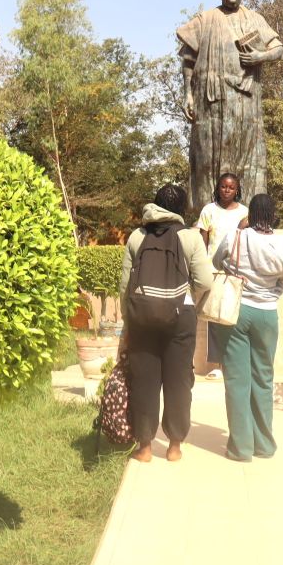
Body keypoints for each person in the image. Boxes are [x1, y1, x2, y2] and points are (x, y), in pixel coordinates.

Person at [177, 0, 283, 210]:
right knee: (207, 159)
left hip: (246, 104)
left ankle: (250, 213)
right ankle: (207, 212)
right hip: (211, 103)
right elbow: (188, 60)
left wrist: (260, 56)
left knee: (249, 159)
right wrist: (188, 94)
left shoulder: (255, 19)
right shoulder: (205, 20)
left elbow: (278, 48)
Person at [120, 184, 214, 463]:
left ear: (155, 204)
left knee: (144, 380)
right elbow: (205, 281)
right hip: (180, 316)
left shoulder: (137, 236)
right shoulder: (190, 237)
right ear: (181, 208)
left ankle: (145, 447)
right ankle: (174, 446)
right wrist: (187, 295)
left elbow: (125, 286)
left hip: (142, 319)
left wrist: (128, 321)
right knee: (179, 381)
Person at [212, 194, 283, 462]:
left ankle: (241, 448)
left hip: (236, 311)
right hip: (267, 314)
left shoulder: (236, 236)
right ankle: (264, 445)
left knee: (237, 380)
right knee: (263, 378)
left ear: (249, 216)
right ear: (272, 216)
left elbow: (216, 262)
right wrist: (273, 291)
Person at [194, 172, 249, 380]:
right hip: (214, 271)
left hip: (236, 271)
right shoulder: (208, 210)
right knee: (215, 319)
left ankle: (233, 363)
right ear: (218, 188)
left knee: (235, 318)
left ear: (237, 190)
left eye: (231, 187)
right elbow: (202, 241)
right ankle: (217, 365)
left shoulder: (244, 212)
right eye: (223, 186)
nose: (227, 190)